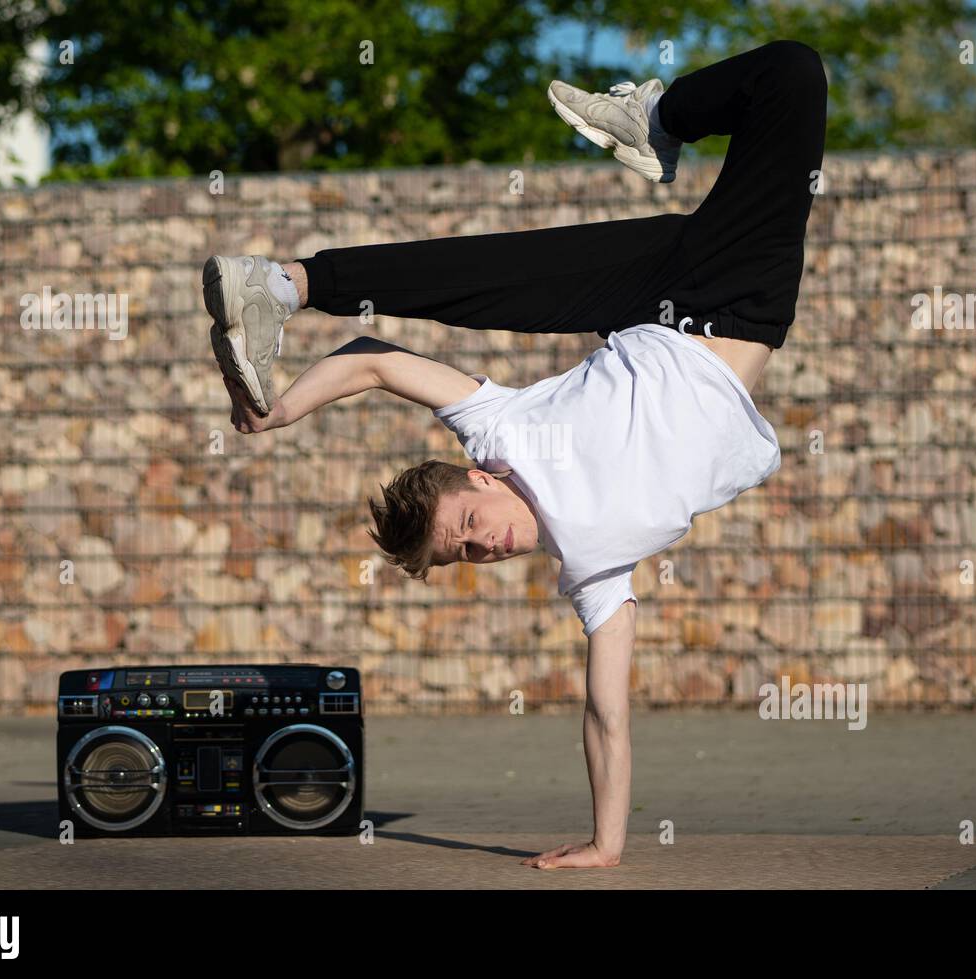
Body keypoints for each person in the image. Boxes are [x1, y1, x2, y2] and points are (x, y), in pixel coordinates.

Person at [201, 40, 827, 869]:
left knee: (487, 272)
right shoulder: (595, 570)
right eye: (467, 556)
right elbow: (607, 710)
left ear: (480, 478)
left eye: (467, 523)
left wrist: (282, 412)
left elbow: (379, 360)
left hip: (656, 301)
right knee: (788, 80)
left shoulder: (500, 431)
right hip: (735, 305)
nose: (485, 546)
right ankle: (274, 286)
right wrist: (607, 844)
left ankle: (285, 285)